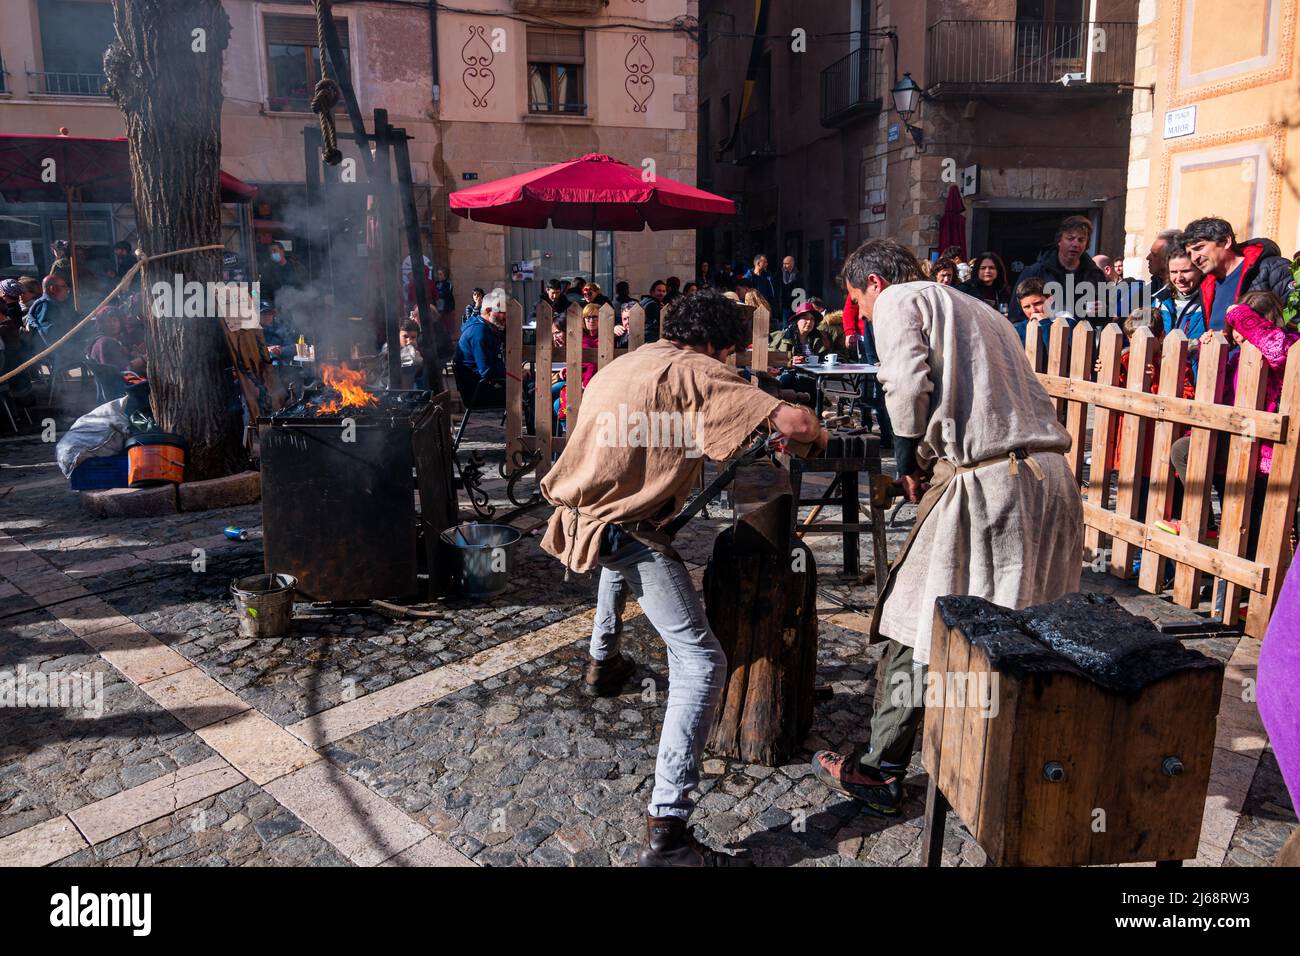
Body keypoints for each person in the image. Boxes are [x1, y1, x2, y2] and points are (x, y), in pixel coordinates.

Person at [539, 288, 827, 865]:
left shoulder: (631, 360)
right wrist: (816, 434)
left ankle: (604, 661)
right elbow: (793, 422)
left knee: (629, 553)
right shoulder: (697, 369)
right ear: (718, 346)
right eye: (732, 355)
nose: (732, 365)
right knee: (701, 663)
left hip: (589, 514)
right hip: (623, 528)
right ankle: (668, 833)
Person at [810, 239, 1082, 815]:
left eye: (858, 297)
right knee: (1028, 621)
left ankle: (882, 771)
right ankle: (1027, 762)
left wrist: (904, 458)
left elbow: (907, 385)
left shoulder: (898, 298)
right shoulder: (982, 309)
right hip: (1050, 477)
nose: (861, 308)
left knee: (921, 619)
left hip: (991, 481)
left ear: (874, 284)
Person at [1181, 216, 1295, 333]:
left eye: (1199, 248)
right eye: (1189, 253)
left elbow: (1296, 320)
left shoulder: (1274, 268)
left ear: (1226, 241)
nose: (1194, 258)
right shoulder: (1206, 286)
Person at [1010, 214, 1109, 324]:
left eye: (1081, 240)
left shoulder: (1096, 275)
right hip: (1041, 338)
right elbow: (1016, 316)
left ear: (1087, 244)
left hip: (1083, 337)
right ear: (1059, 240)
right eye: (1070, 238)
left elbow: (1106, 316)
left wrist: (1100, 311)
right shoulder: (1034, 272)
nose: (1075, 244)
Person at [1156, 244, 1207, 369]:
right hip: (1163, 378)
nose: (1179, 278)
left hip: (1198, 381)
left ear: (1199, 270)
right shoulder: (1159, 301)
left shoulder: (1211, 303)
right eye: (1174, 272)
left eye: (1185, 271)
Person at [454, 288, 507, 403]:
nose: (505, 316)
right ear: (488, 311)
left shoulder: (486, 327)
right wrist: (512, 372)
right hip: (478, 391)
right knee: (524, 392)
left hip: (482, 386)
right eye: (502, 312)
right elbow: (486, 371)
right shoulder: (479, 332)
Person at [85, 311, 145, 376]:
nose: (112, 324)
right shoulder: (105, 342)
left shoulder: (101, 340)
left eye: (115, 320)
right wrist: (143, 359)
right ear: (102, 324)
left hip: (113, 382)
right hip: (123, 383)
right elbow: (124, 368)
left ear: (120, 322)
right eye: (108, 321)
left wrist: (132, 354)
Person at [1146, 229, 1183, 299]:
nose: (1148, 258)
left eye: (1154, 255)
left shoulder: (1182, 292)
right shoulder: (1146, 291)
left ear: (1168, 258)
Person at [779, 255, 803, 320]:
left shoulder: (798, 275)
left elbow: (801, 291)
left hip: (795, 304)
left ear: (792, 264)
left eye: (786, 264)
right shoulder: (781, 274)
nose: (784, 266)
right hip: (785, 304)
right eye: (783, 264)